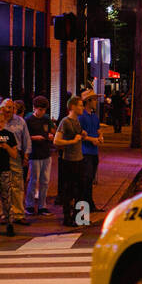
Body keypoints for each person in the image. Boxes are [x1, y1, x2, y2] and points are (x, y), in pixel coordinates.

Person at [54, 95, 87, 226]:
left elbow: (79, 137)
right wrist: (72, 141)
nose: (82, 107)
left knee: (80, 189)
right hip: (69, 160)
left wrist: (83, 136)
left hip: (79, 158)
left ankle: (78, 217)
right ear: (72, 107)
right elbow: (56, 140)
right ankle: (67, 217)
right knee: (69, 190)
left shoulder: (77, 121)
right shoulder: (65, 121)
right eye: (80, 105)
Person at [1, 100, 32, 225]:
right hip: (0, 157)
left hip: (15, 156)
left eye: (10, 107)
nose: (8, 110)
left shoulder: (20, 121)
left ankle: (19, 214)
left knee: (17, 185)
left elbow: (26, 139)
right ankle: (5, 214)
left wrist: (26, 155)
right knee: (3, 187)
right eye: (5, 107)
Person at [24, 96, 55, 216]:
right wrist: (34, 138)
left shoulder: (46, 119)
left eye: (44, 110)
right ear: (34, 108)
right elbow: (25, 137)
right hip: (34, 154)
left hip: (46, 153)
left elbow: (52, 130)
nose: (42, 112)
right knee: (33, 180)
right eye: (40, 110)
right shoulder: (28, 120)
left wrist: (51, 134)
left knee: (45, 181)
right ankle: (30, 205)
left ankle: (42, 206)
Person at [78, 89, 105, 212]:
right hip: (85, 152)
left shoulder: (94, 116)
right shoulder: (81, 117)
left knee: (90, 179)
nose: (96, 102)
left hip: (94, 152)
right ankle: (84, 207)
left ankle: (90, 204)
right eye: (94, 99)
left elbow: (98, 129)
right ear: (88, 101)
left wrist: (100, 137)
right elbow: (80, 134)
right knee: (86, 180)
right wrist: (92, 139)